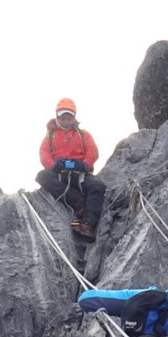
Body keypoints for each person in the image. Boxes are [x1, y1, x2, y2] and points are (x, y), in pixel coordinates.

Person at [37, 97, 107, 242]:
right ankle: (77, 201)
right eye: (63, 118)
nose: (66, 121)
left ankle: (87, 224)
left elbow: (93, 152)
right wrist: (53, 165)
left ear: (74, 118)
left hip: (80, 173)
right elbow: (44, 154)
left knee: (97, 186)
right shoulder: (50, 136)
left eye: (69, 118)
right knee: (42, 176)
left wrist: (85, 164)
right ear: (57, 117)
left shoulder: (83, 134)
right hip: (59, 173)